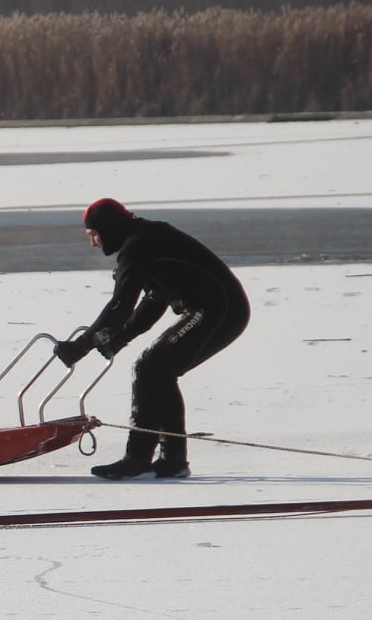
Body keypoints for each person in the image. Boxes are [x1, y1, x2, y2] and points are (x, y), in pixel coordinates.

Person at [52, 198, 250, 479]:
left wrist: (80, 347)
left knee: (150, 368)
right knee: (158, 370)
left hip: (219, 310)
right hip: (215, 308)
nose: (93, 243)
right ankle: (172, 461)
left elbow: (120, 306)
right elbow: (154, 300)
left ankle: (138, 459)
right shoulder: (142, 240)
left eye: (93, 234)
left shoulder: (139, 245)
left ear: (108, 228)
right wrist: (118, 339)